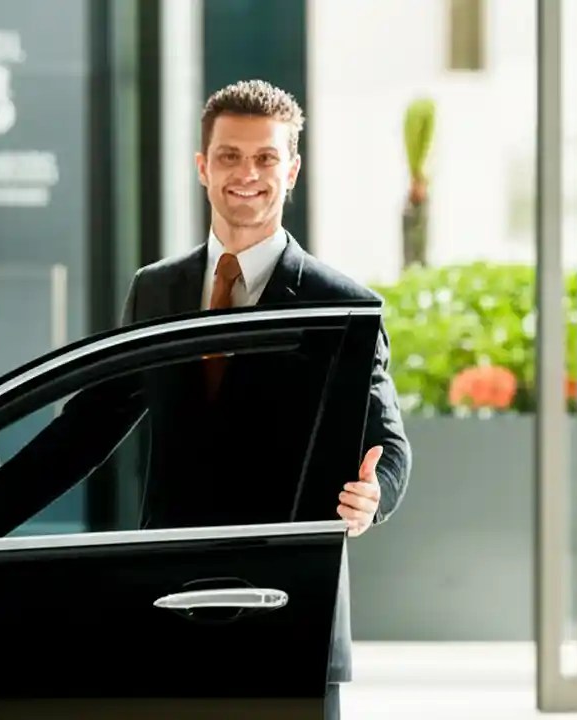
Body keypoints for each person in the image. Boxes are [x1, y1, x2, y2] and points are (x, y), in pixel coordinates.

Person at [119, 78, 411, 718]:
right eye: (229, 156)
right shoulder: (156, 292)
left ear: (292, 169)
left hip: (291, 612)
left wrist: (373, 496)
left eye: (265, 158)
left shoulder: (343, 306)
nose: (246, 174)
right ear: (202, 166)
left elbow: (388, 445)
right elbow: (83, 430)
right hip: (170, 605)